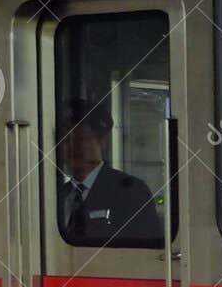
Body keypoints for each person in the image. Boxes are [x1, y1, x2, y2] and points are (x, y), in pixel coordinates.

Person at [56, 102, 161, 246]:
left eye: (81, 139)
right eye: (67, 141)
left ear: (102, 142)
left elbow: (146, 249)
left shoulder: (130, 191)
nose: (74, 148)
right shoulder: (59, 196)